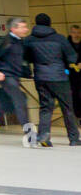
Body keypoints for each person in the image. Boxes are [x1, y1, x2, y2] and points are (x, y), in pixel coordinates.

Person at [23, 13, 81, 147]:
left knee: (45, 107)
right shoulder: (59, 39)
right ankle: (73, 139)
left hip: (40, 77)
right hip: (59, 77)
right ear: (50, 23)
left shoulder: (29, 40)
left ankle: (44, 136)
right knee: (67, 108)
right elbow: (72, 57)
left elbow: (26, 57)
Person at [69, 24, 81, 121]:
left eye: (78, 33)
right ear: (70, 33)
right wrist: (67, 70)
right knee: (74, 96)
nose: (76, 35)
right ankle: (76, 116)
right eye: (74, 32)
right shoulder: (66, 44)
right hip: (71, 76)